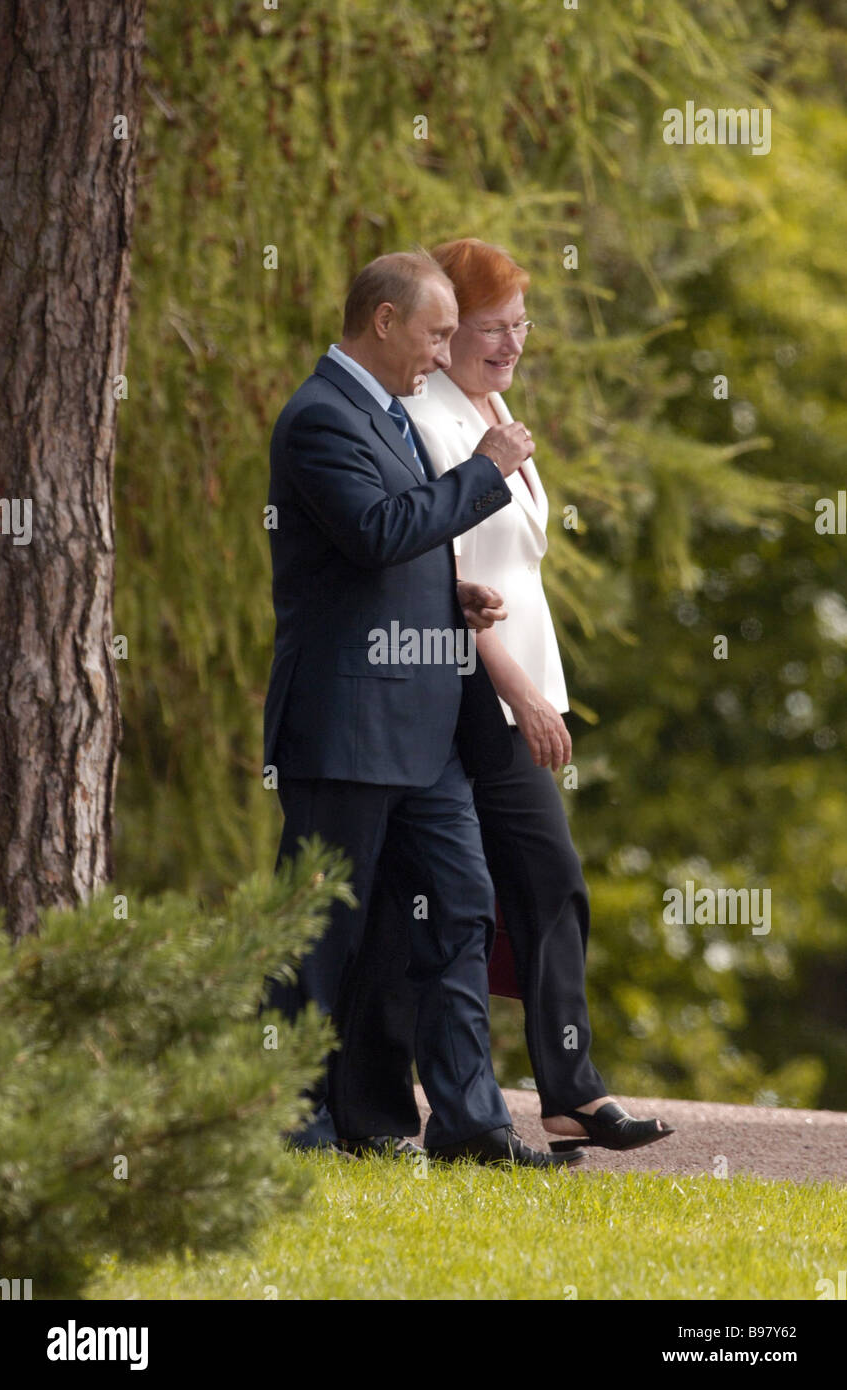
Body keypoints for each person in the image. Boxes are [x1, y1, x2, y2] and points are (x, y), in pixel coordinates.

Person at [343, 239, 675, 1153]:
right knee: (534, 881)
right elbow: (439, 568)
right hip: (474, 687)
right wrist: (519, 692)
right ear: (441, 337)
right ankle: (557, 1088)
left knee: (448, 898)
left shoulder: (495, 404)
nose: (511, 343)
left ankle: (407, 1108)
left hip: (521, 676)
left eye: (521, 326)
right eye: (491, 328)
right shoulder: (430, 420)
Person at [261, 250, 586, 1169]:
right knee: (322, 930)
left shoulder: (389, 417)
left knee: (460, 910)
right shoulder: (319, 416)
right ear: (386, 321)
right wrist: (485, 468)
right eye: (438, 332)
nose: (446, 351)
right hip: (346, 722)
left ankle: (472, 1124)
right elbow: (373, 533)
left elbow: (406, 551)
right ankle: (285, 1115)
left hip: (424, 723)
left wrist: (454, 601)